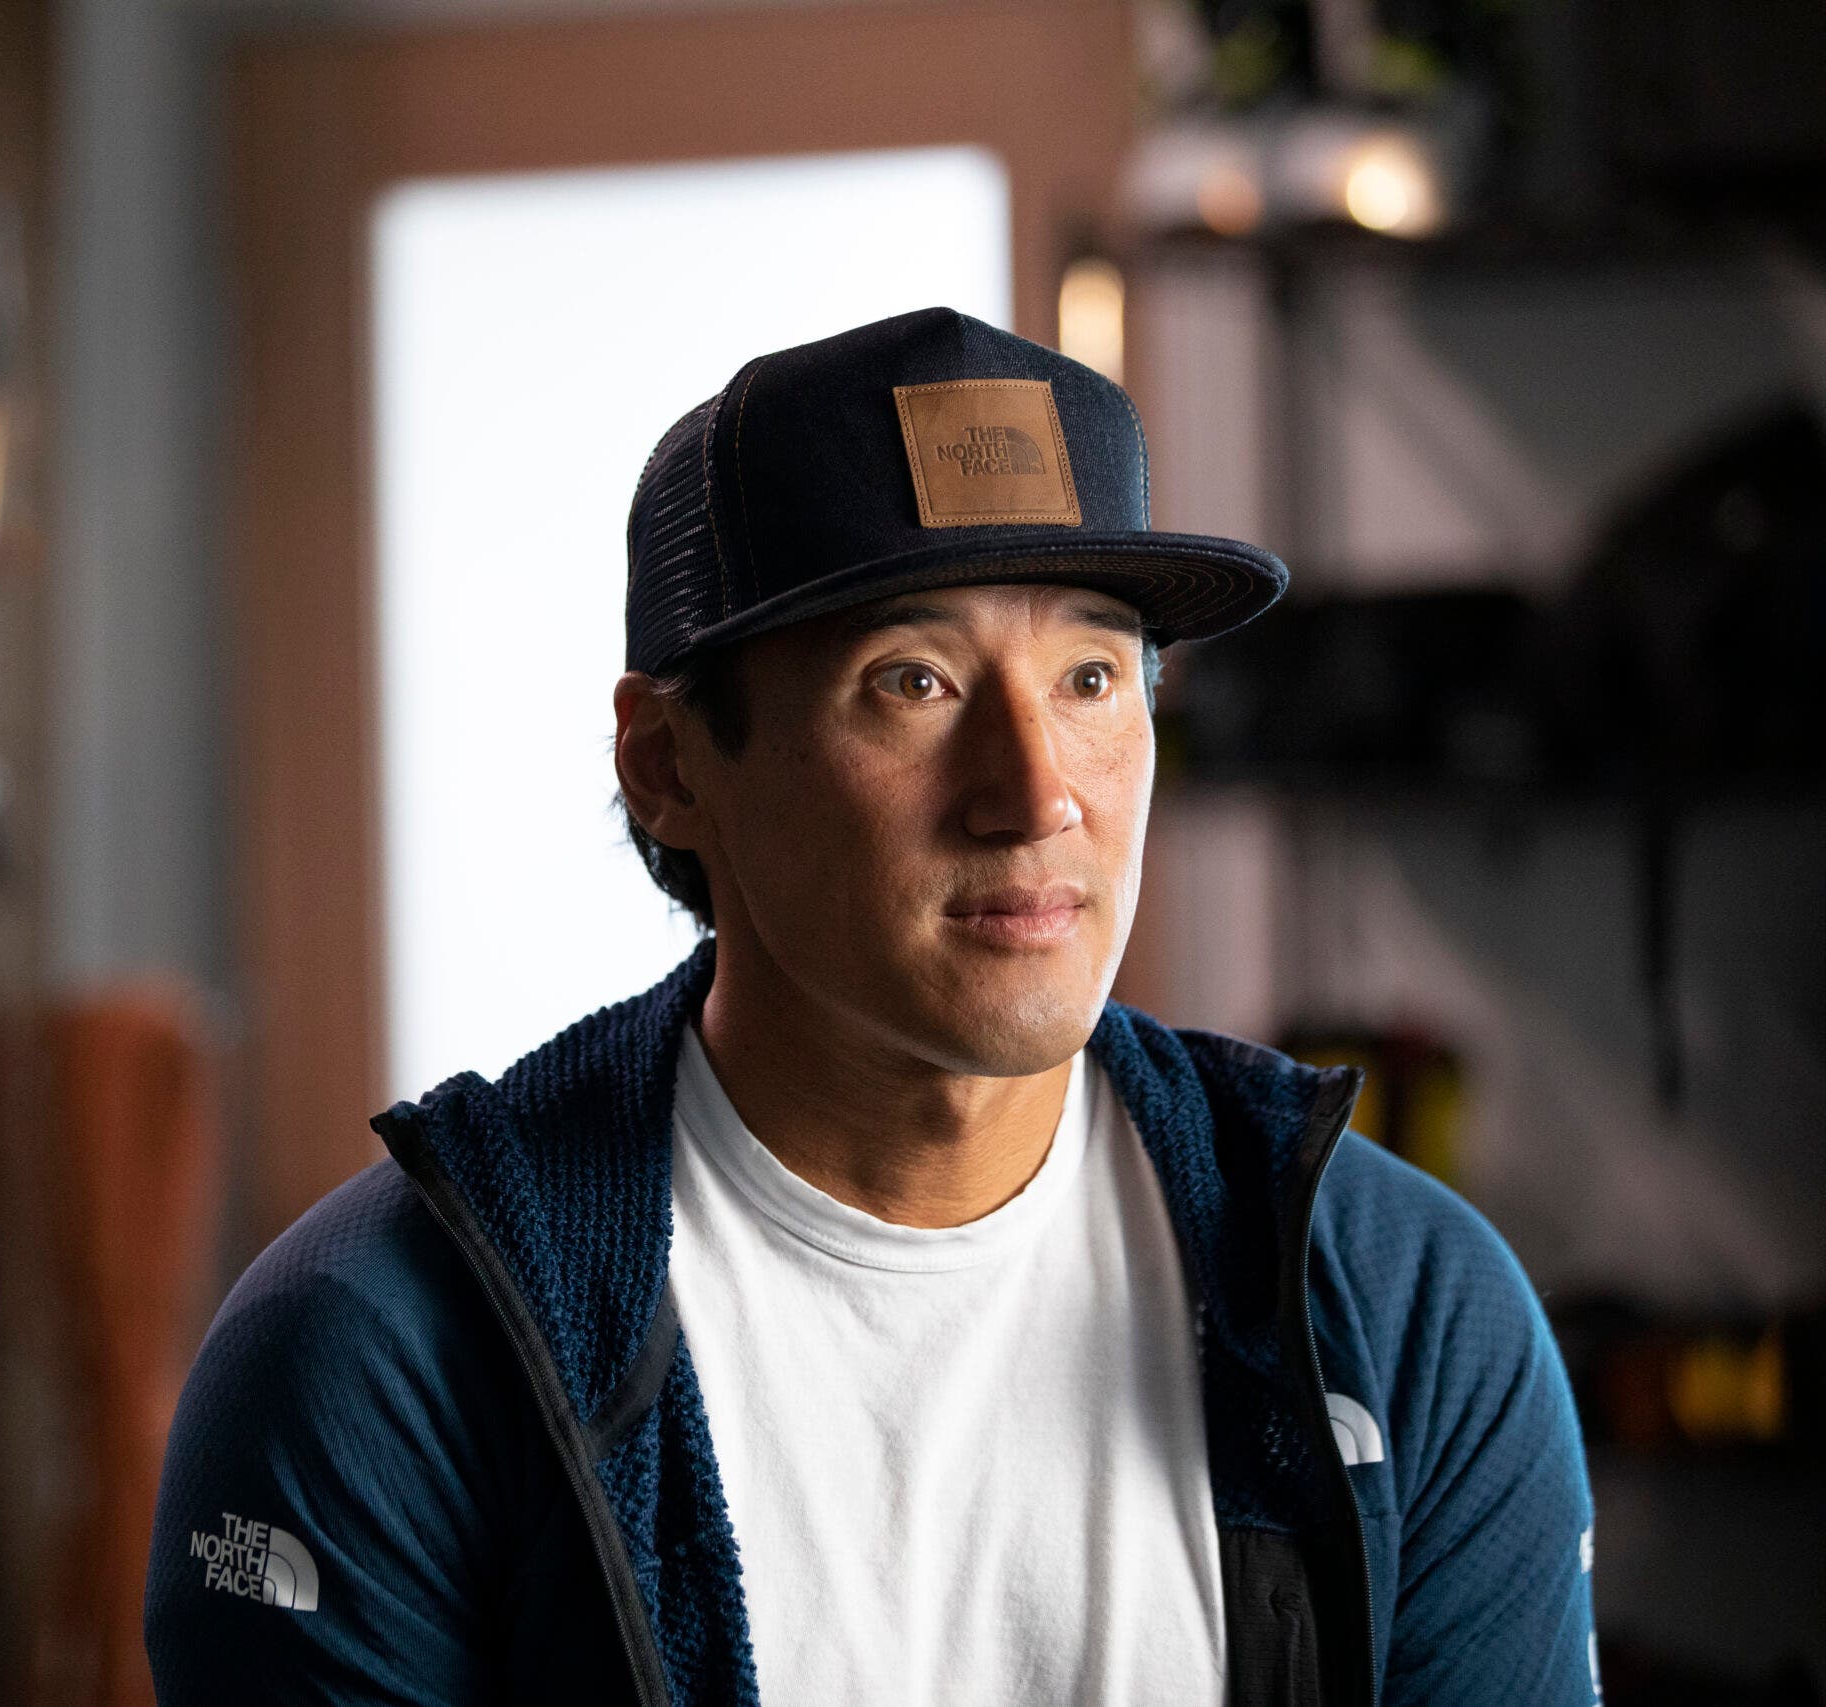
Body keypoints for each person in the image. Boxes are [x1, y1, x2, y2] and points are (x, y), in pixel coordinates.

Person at [145, 308, 1598, 1706]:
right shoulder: (382, 1359)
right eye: (913, 682)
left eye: (1092, 676)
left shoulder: (1400, 1310)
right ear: (667, 765)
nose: (1036, 794)